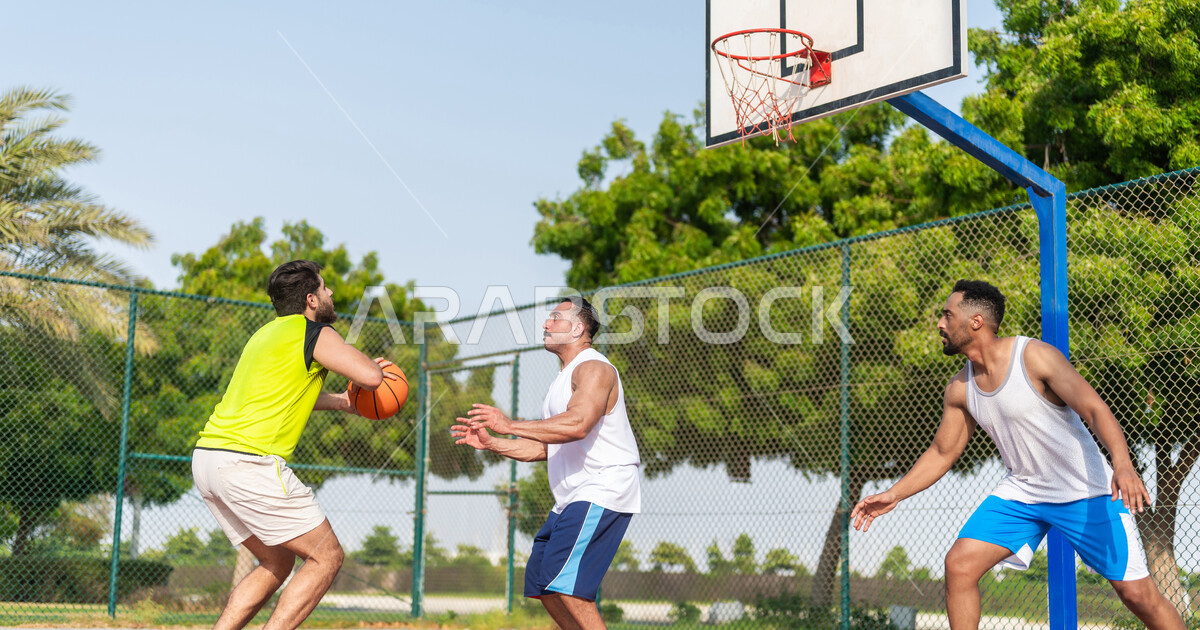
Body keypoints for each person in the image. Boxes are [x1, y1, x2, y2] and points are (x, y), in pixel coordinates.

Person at [851, 280, 1183, 630]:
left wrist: (1124, 466)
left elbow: (1095, 409)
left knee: (1139, 597)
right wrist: (893, 494)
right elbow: (942, 452)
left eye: (948, 315)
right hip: (1024, 491)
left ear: (976, 321)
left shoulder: (1034, 357)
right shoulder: (960, 388)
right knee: (960, 565)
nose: (940, 324)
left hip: (1086, 490)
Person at [192, 260, 393, 630]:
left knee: (277, 563)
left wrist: (342, 402)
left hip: (208, 460)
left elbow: (285, 392)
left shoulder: (266, 335)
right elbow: (372, 376)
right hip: (248, 463)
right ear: (311, 299)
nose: (332, 293)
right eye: (326, 287)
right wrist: (376, 367)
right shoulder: (315, 331)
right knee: (327, 556)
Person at [452, 296, 640, 630]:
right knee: (545, 584)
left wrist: (509, 424)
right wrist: (494, 442)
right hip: (571, 498)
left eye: (555, 317)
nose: (545, 324)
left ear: (579, 328)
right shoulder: (562, 379)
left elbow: (579, 423)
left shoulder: (594, 368)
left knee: (567, 586)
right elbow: (545, 447)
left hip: (603, 487)